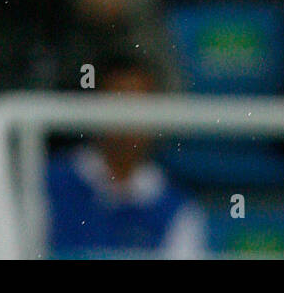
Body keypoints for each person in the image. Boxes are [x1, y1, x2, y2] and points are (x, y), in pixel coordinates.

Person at [47, 56, 206, 259]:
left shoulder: (178, 209)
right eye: (118, 102)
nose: (128, 118)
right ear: (94, 107)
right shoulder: (48, 184)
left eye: (138, 105)